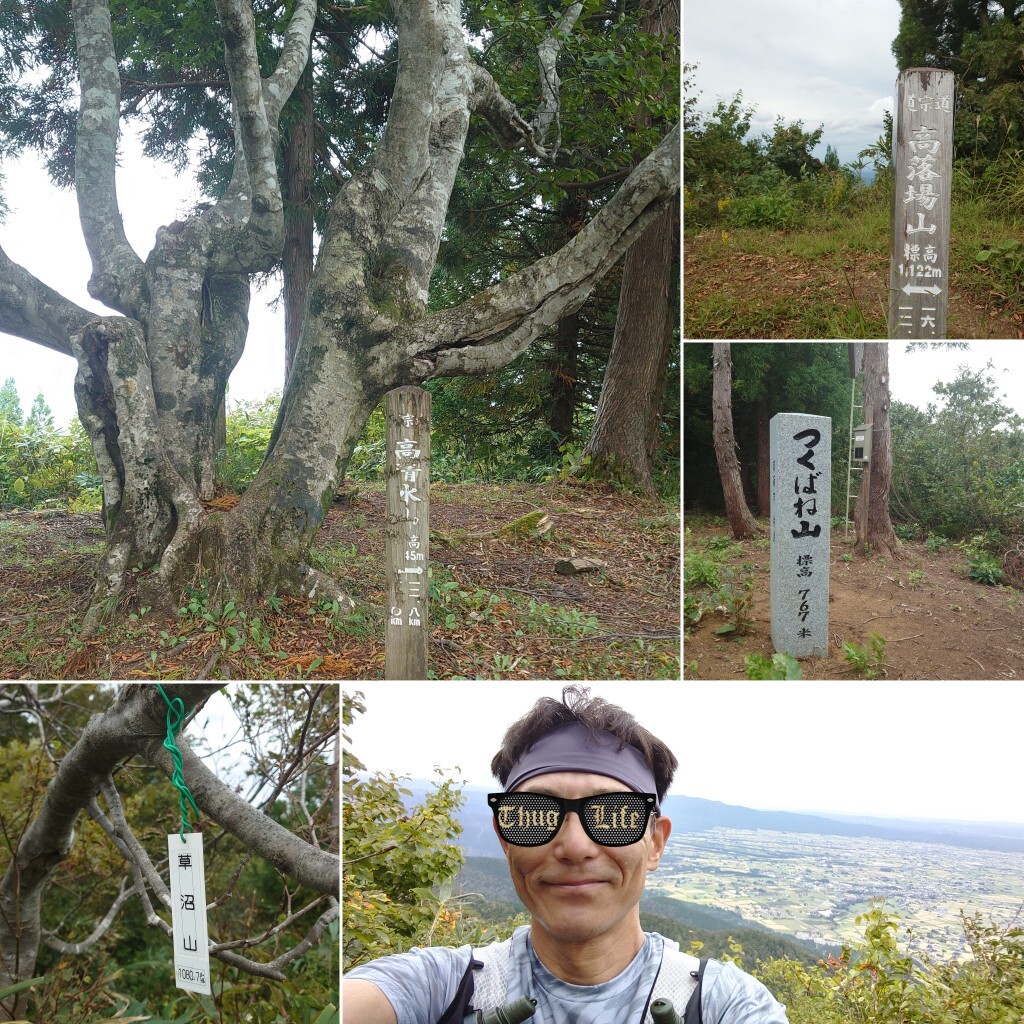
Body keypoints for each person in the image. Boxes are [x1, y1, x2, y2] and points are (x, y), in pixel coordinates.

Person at [343, 687, 790, 1024]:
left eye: (614, 815)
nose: (575, 847)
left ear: (655, 842)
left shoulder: (724, 1004)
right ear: (504, 838)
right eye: (534, 814)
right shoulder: (442, 988)